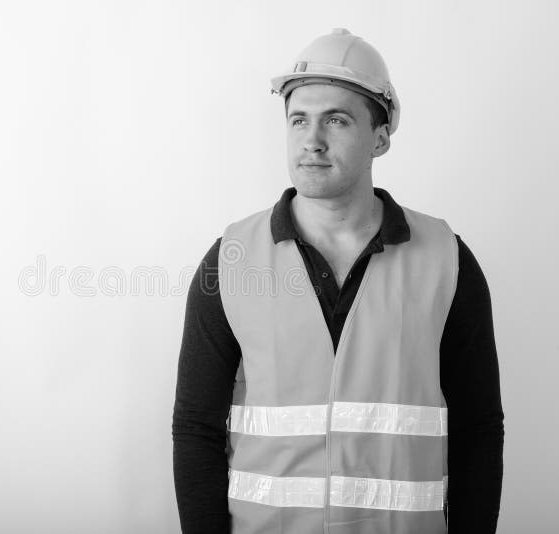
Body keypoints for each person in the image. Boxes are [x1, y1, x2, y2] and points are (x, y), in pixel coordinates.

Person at [172, 28, 504, 534]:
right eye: (299, 119)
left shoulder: (447, 261)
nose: (312, 140)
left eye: (336, 120)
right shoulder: (229, 261)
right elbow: (195, 428)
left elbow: (478, 431)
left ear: (380, 137)